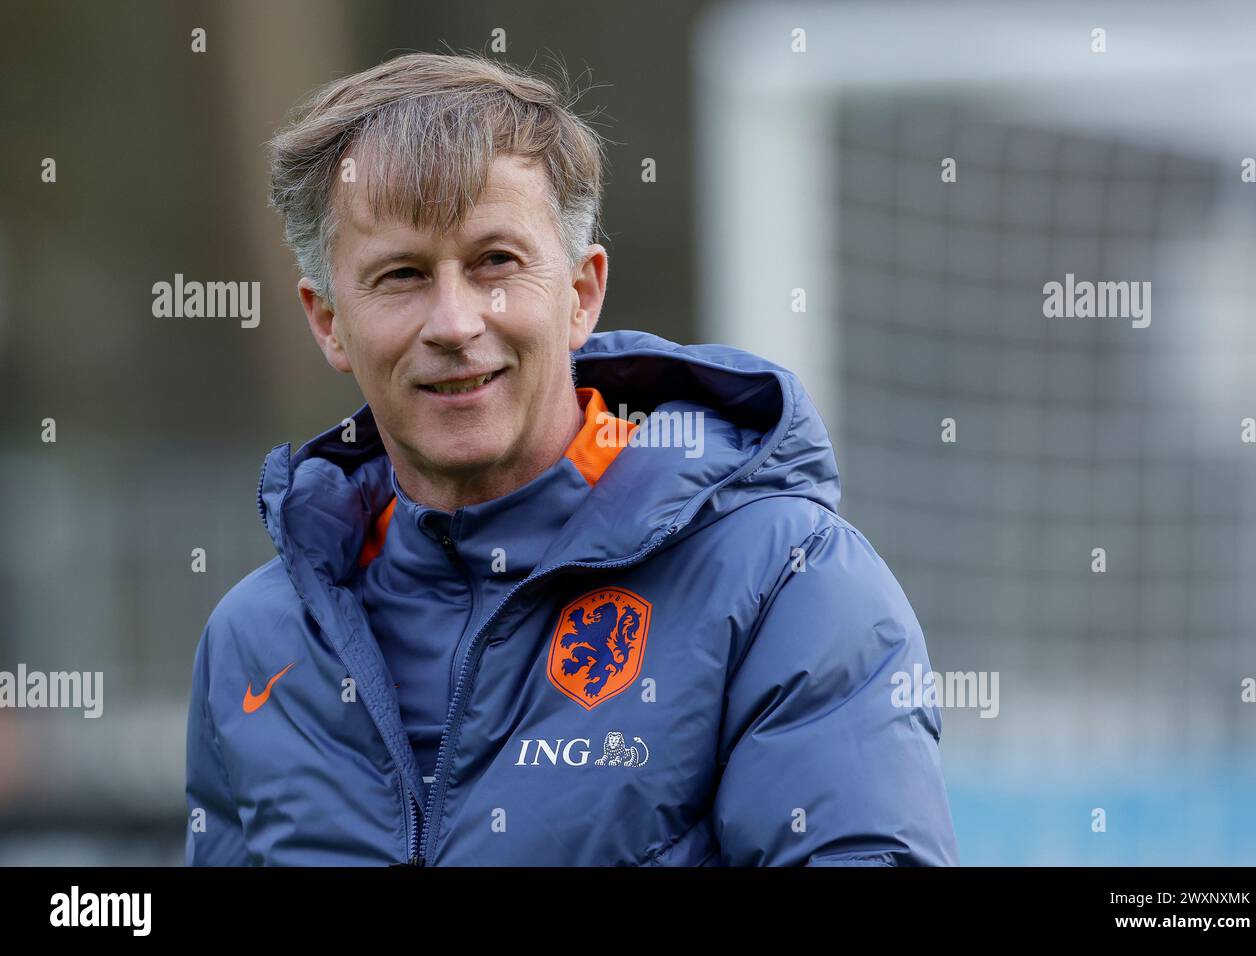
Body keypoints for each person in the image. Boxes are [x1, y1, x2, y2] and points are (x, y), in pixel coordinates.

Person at [184, 51, 959, 866]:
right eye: (402, 275)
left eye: (496, 263)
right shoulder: (255, 640)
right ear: (329, 321)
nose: (454, 322)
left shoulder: (782, 578)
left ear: (581, 293)